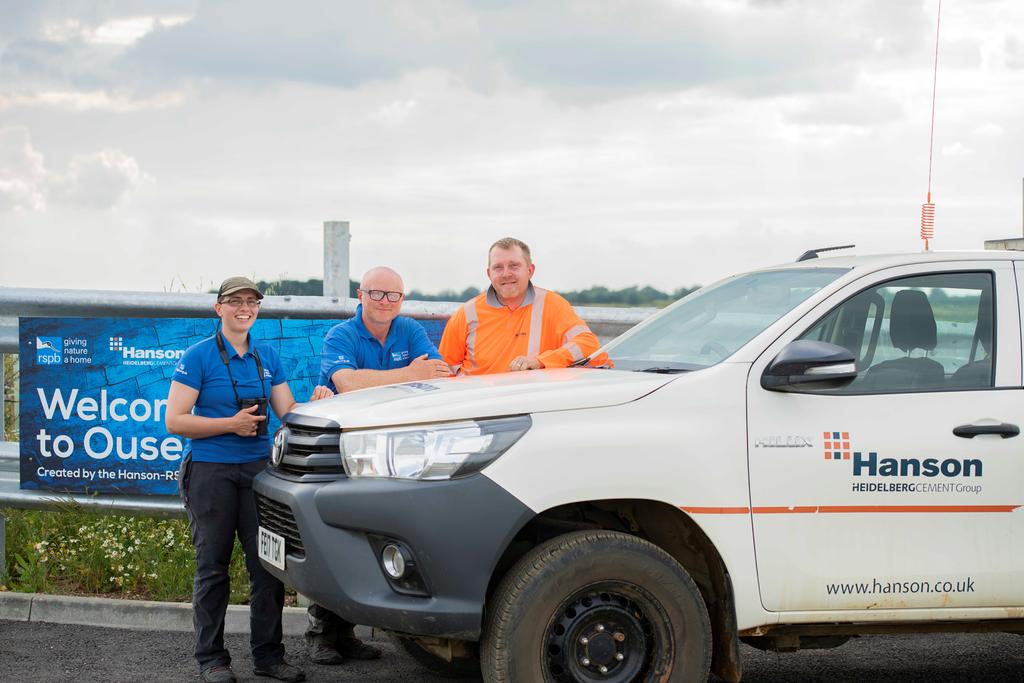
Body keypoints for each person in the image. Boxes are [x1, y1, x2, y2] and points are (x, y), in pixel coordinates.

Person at [166, 276, 328, 683]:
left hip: (258, 472)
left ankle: (269, 657)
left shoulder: (267, 354)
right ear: (218, 308)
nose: (244, 308)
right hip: (210, 472)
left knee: (268, 567)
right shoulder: (199, 356)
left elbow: (287, 409)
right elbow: (175, 421)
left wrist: (322, 402)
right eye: (235, 301)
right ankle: (211, 658)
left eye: (251, 302)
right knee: (213, 567)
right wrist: (230, 424)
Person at [306, 265, 450, 665]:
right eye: (376, 293)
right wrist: (407, 374)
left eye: (393, 295)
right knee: (331, 535)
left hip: (389, 449)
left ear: (402, 299)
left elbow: (436, 377)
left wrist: (388, 378)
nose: (385, 302)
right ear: (360, 294)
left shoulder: (411, 331)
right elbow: (347, 383)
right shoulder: (341, 335)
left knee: (366, 539)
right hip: (339, 449)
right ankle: (321, 633)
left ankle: (347, 635)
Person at [439, 237, 601, 375]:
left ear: (530, 270)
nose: (506, 274)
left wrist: (540, 361)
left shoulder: (552, 305)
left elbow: (588, 344)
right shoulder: (467, 313)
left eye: (514, 266)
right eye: (498, 267)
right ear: (489, 274)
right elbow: (444, 370)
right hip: (479, 405)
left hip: (529, 405)